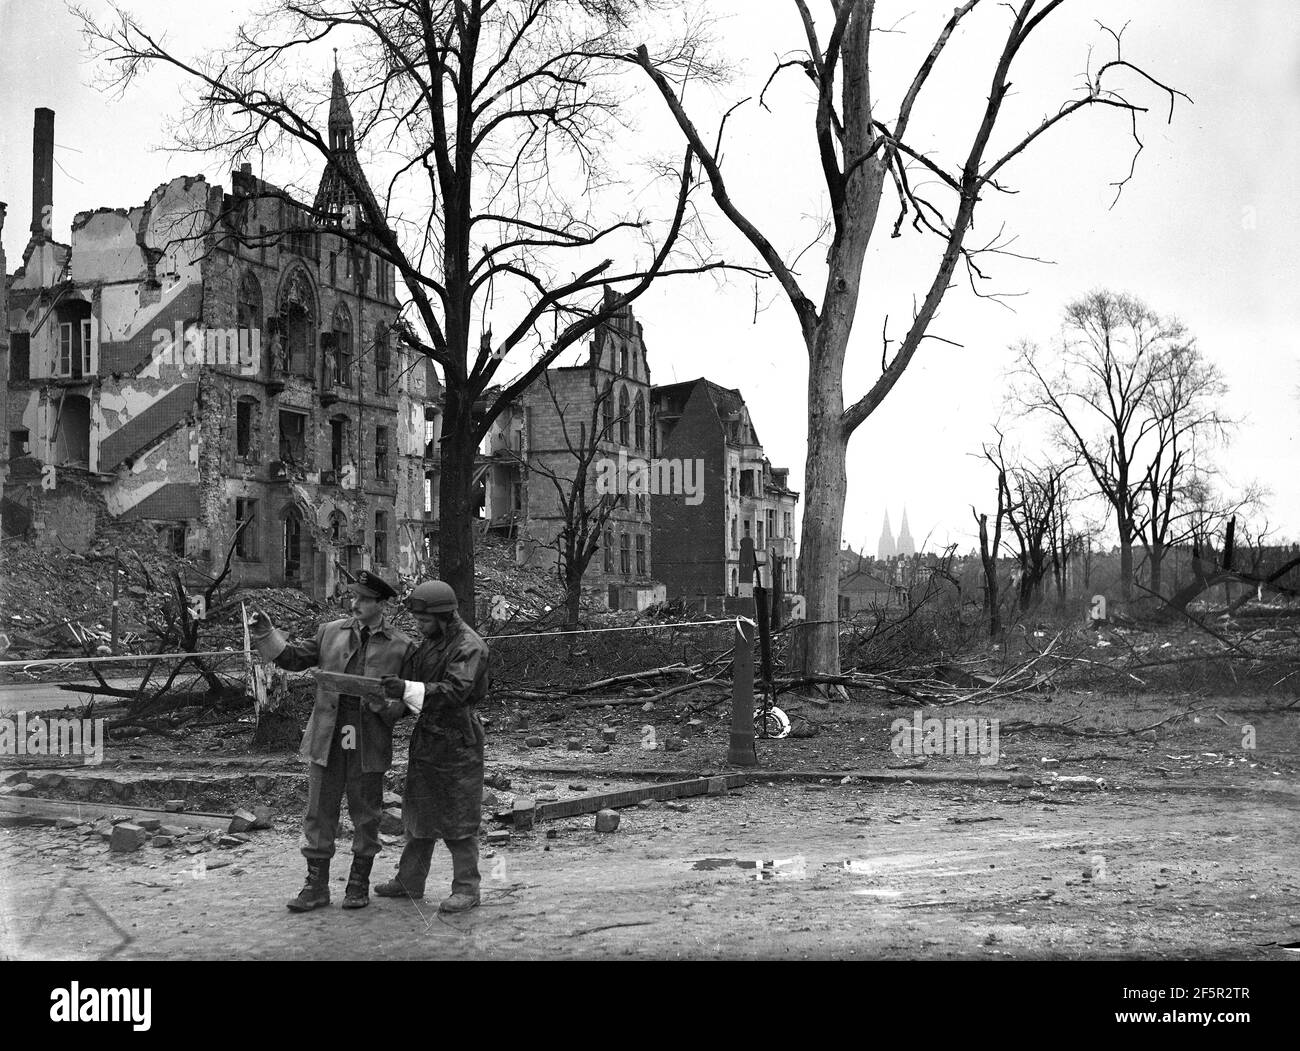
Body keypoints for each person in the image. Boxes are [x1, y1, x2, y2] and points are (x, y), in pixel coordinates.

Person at [249, 570, 413, 912]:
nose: (355, 604)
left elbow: (412, 700)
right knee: (319, 811)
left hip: (367, 737)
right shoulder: (329, 632)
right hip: (328, 734)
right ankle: (315, 886)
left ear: (381, 604)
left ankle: (358, 883)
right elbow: (292, 658)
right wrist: (266, 633)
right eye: (352, 597)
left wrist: (388, 706)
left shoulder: (402, 646)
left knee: (366, 812)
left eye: (364, 599)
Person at [374, 580, 488, 914]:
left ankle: (467, 888)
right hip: (428, 737)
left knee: (459, 815)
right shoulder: (431, 643)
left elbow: (454, 691)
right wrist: (391, 709)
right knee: (419, 813)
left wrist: (406, 688)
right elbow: (422, 692)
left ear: (442, 615)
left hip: (458, 740)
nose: (419, 627)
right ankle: (409, 879)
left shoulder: (470, 646)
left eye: (424, 621)